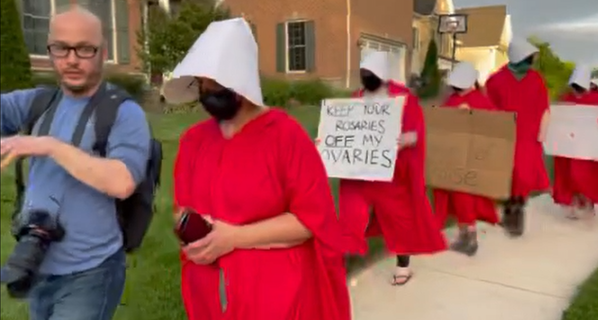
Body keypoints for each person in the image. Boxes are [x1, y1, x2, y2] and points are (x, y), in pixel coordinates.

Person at [164, 18, 351, 320]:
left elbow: (310, 221)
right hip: (210, 295)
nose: (206, 90)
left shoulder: (285, 136)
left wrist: (234, 237)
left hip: (277, 298)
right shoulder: (193, 141)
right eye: (200, 83)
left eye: (215, 84)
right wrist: (193, 231)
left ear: (240, 82)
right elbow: (181, 209)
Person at [0, 7, 150, 320]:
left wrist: (49, 146)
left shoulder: (123, 113)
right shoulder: (39, 102)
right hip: (37, 263)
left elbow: (122, 181)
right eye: (61, 48)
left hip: (90, 271)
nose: (71, 59)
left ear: (103, 52)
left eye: (84, 49)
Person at [335, 51, 446, 286]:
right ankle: (340, 263)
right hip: (359, 174)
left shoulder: (404, 98)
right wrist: (329, 142)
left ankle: (403, 265)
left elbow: (417, 133)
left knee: (399, 219)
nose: (366, 77)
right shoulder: (356, 98)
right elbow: (344, 131)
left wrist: (406, 139)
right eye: (363, 74)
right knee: (350, 216)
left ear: (383, 75)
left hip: (391, 174)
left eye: (370, 74)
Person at [433, 62, 500, 256]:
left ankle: (470, 236)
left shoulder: (480, 100)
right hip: (451, 156)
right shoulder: (451, 99)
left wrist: (471, 114)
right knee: (455, 196)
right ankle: (464, 235)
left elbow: (493, 125)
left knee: (465, 197)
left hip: (470, 158)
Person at [485, 39, 550, 237]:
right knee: (509, 174)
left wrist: (543, 131)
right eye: (528, 59)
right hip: (506, 135)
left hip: (529, 135)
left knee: (524, 174)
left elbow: (544, 106)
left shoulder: (536, 79)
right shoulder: (495, 80)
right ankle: (511, 208)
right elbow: (488, 109)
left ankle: (518, 208)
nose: (531, 63)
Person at [553, 66, 598, 218]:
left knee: (585, 175)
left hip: (588, 148)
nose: (576, 91)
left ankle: (587, 203)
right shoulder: (566, 100)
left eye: (579, 88)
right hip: (570, 146)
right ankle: (574, 202)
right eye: (574, 87)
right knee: (570, 174)